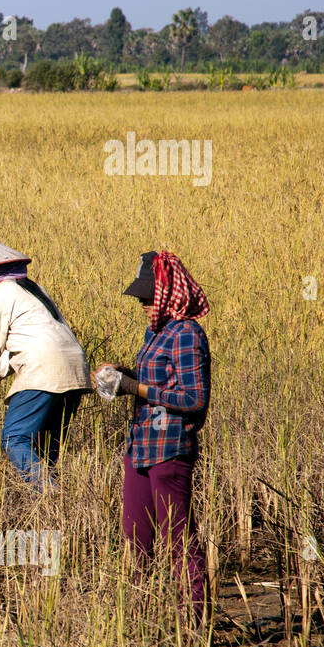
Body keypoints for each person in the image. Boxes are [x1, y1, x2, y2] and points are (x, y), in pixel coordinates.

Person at [94, 250, 212, 625]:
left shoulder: (187, 333)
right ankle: (136, 623)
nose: (144, 304)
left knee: (179, 541)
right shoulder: (155, 331)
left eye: (149, 296)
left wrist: (136, 388)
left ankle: (193, 625)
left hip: (170, 451)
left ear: (169, 292)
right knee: (134, 541)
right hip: (139, 448)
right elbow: (152, 382)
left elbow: (194, 399)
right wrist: (120, 374)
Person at [0, 237, 93, 487]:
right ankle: (55, 506)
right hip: (75, 370)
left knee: (15, 439)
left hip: (44, 370)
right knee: (46, 449)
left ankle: (50, 496)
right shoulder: (32, 290)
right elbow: (14, 354)